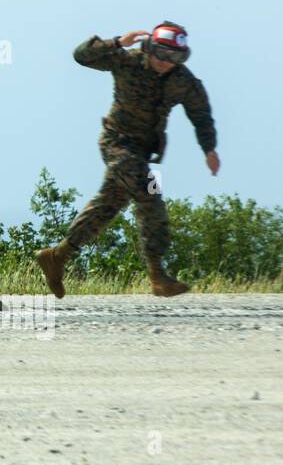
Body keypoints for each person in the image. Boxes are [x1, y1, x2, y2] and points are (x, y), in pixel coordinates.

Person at [35, 22, 220, 299]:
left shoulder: (183, 81)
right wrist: (119, 42)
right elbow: (82, 56)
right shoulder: (128, 61)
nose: (166, 62)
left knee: (106, 207)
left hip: (142, 153)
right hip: (116, 143)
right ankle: (157, 275)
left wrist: (209, 149)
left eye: (175, 57)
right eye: (161, 53)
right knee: (150, 194)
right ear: (148, 47)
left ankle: (57, 256)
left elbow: (201, 114)